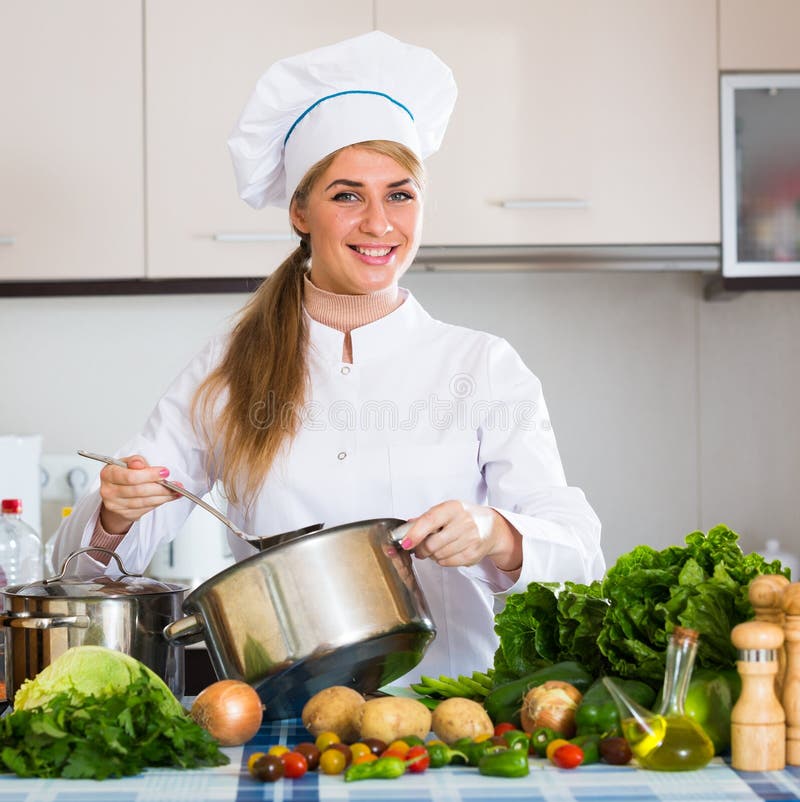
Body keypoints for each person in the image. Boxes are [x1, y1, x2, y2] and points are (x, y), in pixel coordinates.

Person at [53, 31, 604, 681]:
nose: (379, 223)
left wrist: (495, 535)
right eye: (347, 195)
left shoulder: (482, 367)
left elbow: (581, 559)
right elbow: (81, 573)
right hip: (283, 726)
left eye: (400, 194)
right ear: (299, 211)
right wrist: (117, 510)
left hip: (452, 721)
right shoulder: (228, 368)